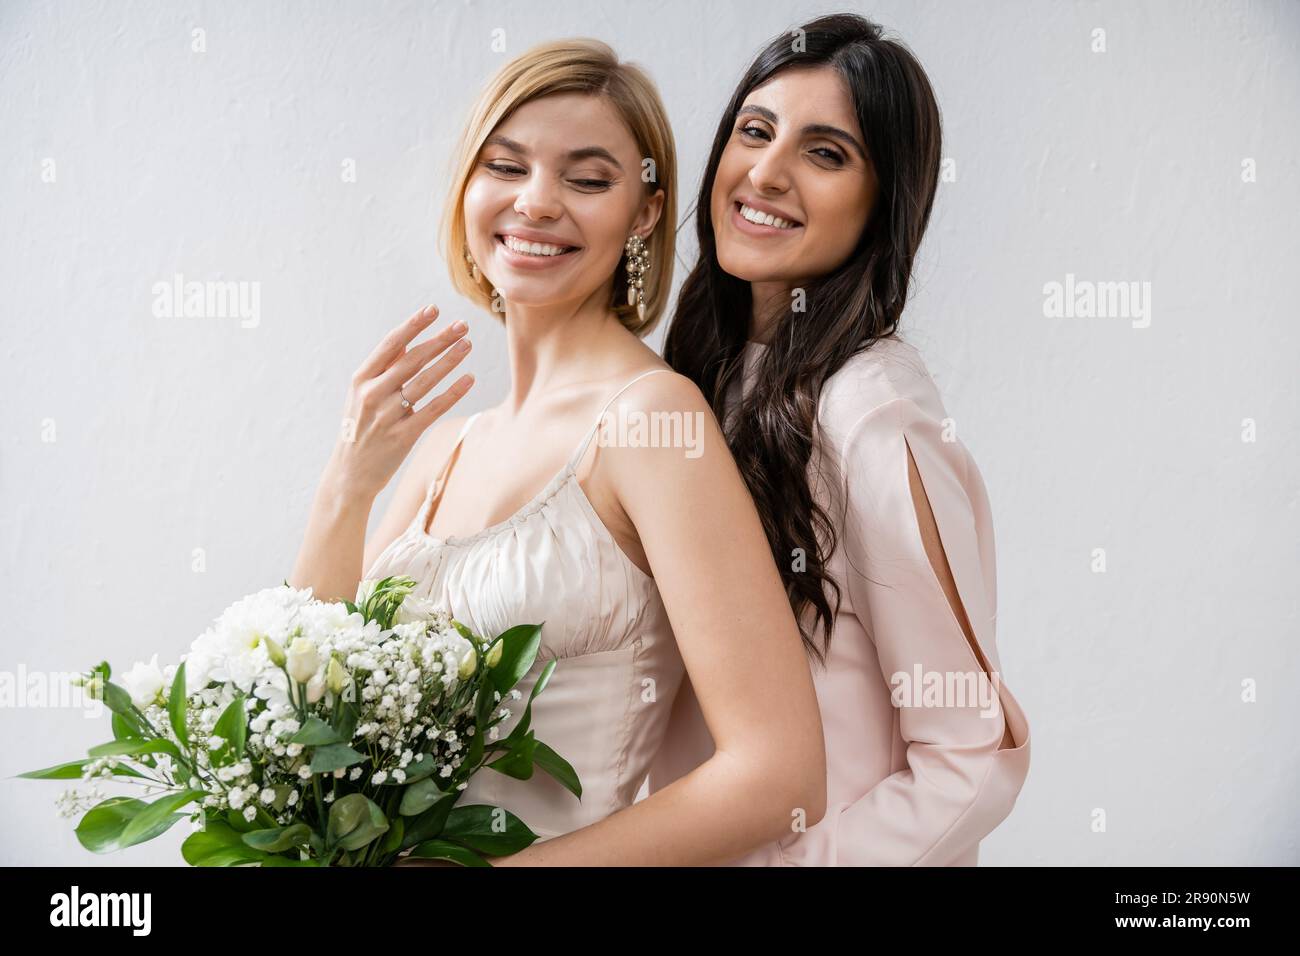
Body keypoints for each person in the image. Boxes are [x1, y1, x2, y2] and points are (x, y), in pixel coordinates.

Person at [289, 38, 827, 866]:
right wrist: (347, 481)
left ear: (644, 212)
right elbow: (307, 711)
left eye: (587, 179)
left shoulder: (654, 421)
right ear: (467, 187)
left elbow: (779, 775)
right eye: (506, 167)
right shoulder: (445, 446)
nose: (537, 203)